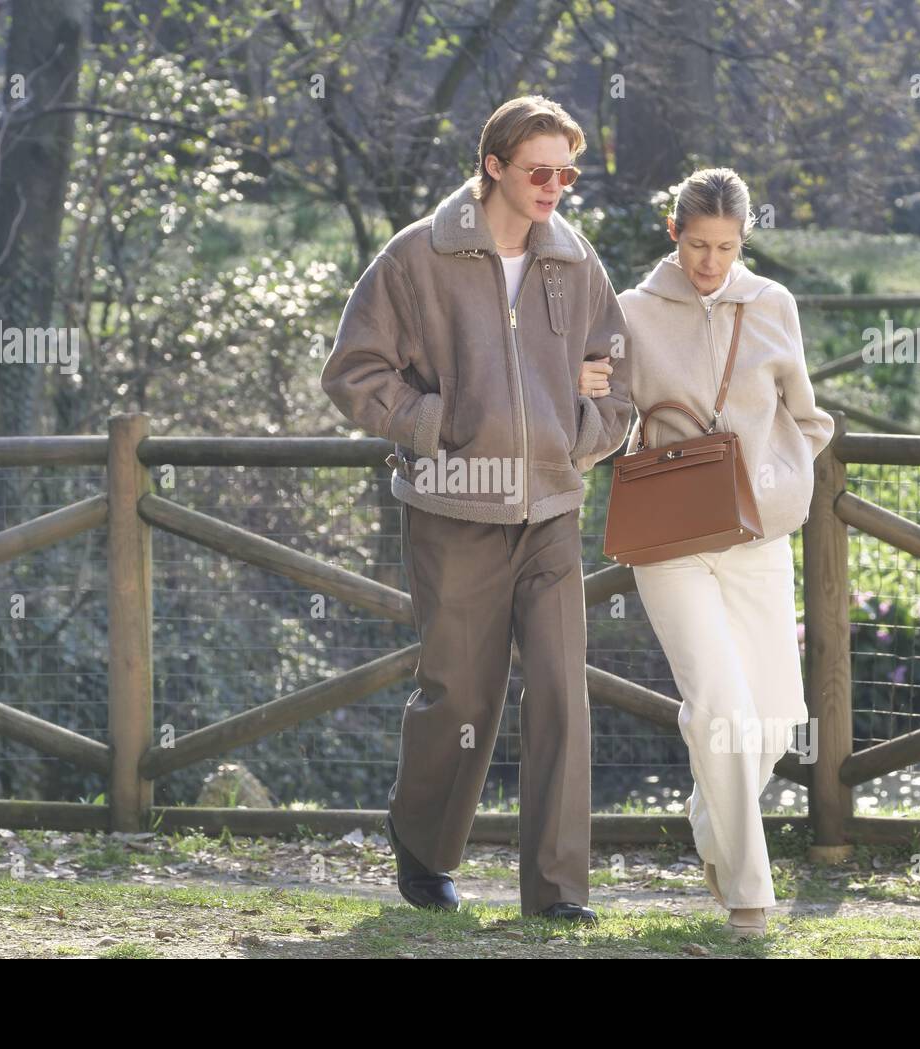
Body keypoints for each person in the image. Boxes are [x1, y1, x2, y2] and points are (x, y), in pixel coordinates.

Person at [320, 95, 633, 922]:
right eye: (539, 170)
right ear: (492, 165)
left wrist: (586, 433)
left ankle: (557, 891)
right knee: (461, 695)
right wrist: (434, 426)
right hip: (452, 510)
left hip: (552, 513)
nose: (555, 186)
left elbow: (618, 370)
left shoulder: (575, 260)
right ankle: (423, 845)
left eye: (566, 171)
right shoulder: (416, 257)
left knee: (564, 692)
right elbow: (352, 373)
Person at [581, 167, 832, 939]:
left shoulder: (773, 304)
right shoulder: (630, 310)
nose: (710, 263)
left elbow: (807, 416)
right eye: (697, 245)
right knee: (720, 708)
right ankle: (749, 894)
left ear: (743, 240)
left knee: (779, 722)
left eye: (725, 247)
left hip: (757, 534)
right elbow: (604, 420)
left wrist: (786, 484)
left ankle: (709, 817)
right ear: (674, 233)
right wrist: (582, 386)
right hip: (669, 537)